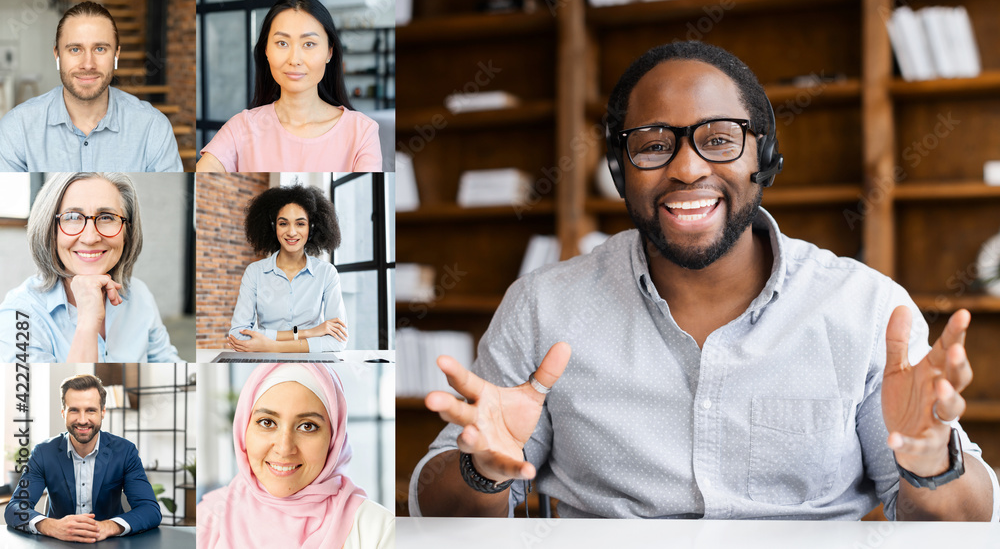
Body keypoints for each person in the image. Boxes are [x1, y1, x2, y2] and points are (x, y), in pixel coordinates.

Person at [410, 42, 1000, 521]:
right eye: (653, 145)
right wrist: (481, 471)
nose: (688, 168)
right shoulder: (542, 306)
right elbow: (435, 514)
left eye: (719, 139)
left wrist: (931, 462)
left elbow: (968, 523)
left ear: (763, 155)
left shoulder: (866, 308)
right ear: (619, 169)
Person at [197, 363, 394, 549]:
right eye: (267, 422)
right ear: (243, 429)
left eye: (307, 426)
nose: (284, 448)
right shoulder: (209, 517)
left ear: (334, 439)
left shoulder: (379, 531)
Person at [0, 173, 182, 363]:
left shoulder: (139, 295)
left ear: (127, 231)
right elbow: (48, 385)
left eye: (106, 217)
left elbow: (170, 366)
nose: (90, 238)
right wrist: (87, 323)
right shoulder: (19, 315)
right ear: (50, 230)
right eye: (72, 217)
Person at [196, 0, 381, 173]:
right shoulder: (241, 127)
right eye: (282, 43)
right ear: (266, 50)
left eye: (309, 44)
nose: (294, 60)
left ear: (329, 52)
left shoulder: (362, 132)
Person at [0, 2, 182, 172]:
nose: (88, 65)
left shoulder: (153, 127)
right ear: (57, 55)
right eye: (75, 49)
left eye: (100, 49)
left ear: (116, 54)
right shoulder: (17, 128)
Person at [4, 375, 161, 541]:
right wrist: (50, 526)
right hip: (58, 544)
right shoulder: (43, 453)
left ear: (102, 412)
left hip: (110, 543)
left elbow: (150, 510)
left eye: (90, 410)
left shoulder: (125, 451)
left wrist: (108, 527)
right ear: (63, 413)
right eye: (74, 410)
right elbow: (15, 507)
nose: (82, 420)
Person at [228, 184, 348, 353]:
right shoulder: (255, 272)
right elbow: (238, 335)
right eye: (283, 223)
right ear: (274, 227)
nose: (291, 232)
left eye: (300, 224)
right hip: (268, 361)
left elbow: (338, 341)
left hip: (308, 362)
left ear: (311, 228)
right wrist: (309, 333)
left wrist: (272, 345)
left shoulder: (327, 273)